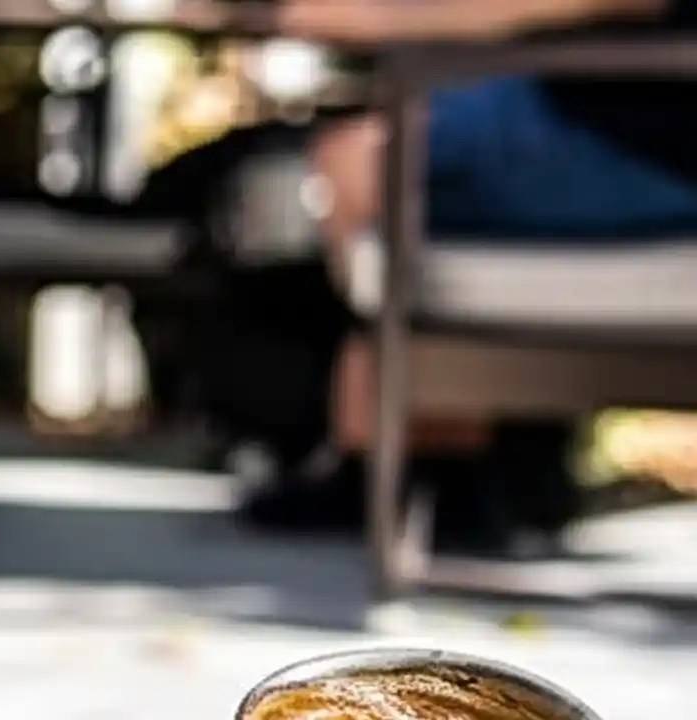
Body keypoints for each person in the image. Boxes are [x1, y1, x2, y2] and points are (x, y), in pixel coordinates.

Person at [238, 0, 697, 552]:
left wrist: (384, 18)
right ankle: (445, 465)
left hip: (643, 143)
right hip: (615, 114)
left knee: (358, 162)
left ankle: (392, 461)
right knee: (419, 160)